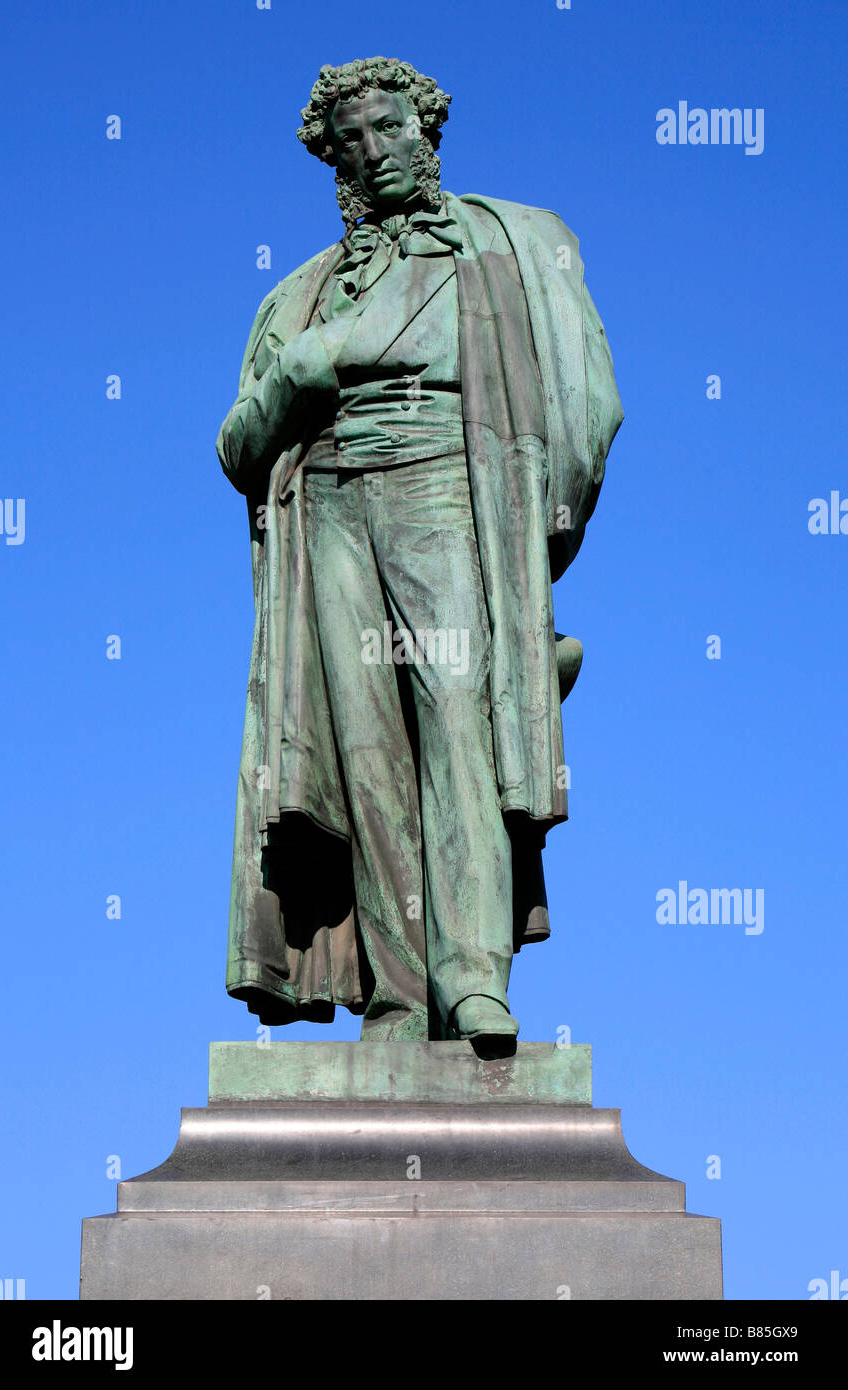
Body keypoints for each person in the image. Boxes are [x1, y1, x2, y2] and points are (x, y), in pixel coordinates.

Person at [216, 57, 622, 1045]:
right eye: (350, 141)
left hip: (446, 484)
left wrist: (536, 549)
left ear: (426, 128)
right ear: (333, 161)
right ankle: (398, 1001)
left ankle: (471, 980)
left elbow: (589, 402)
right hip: (328, 507)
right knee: (366, 755)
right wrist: (300, 373)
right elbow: (235, 447)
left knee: (457, 723)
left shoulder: (510, 243)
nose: (373, 150)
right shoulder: (297, 296)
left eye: (390, 127)